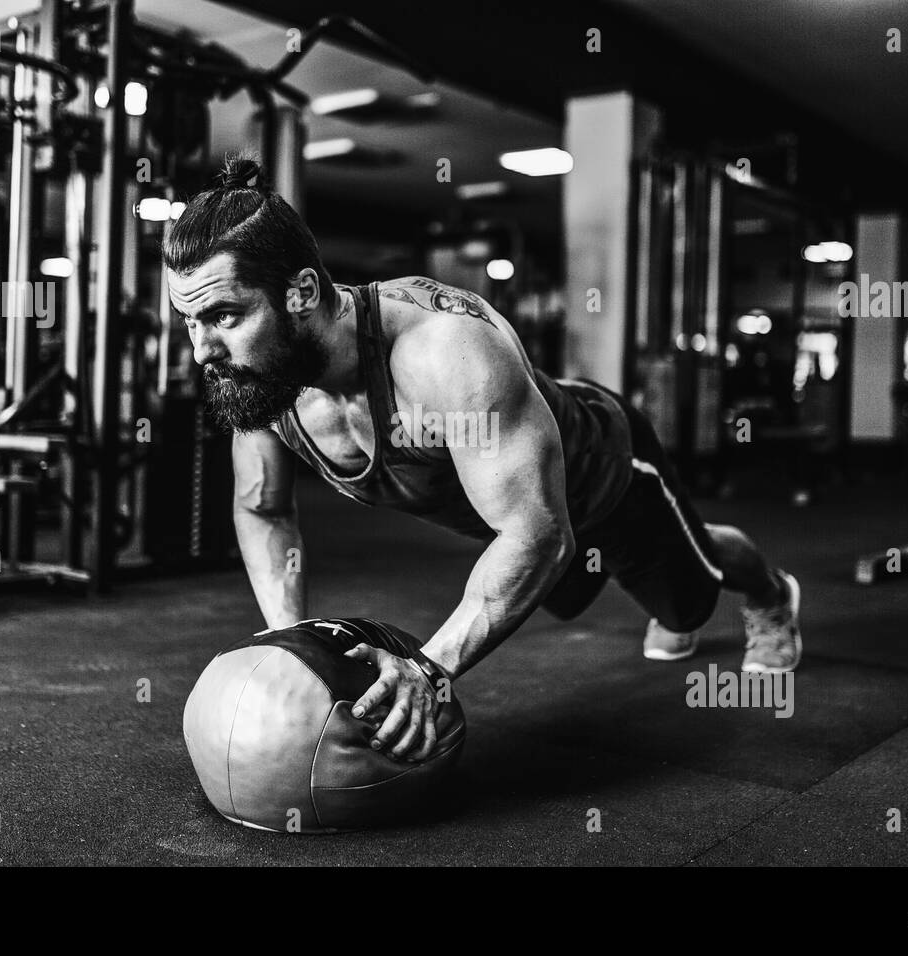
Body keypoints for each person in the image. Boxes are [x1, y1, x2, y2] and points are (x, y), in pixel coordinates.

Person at [164, 157, 803, 764]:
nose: (203, 351)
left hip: (604, 472)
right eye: (190, 321)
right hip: (511, 515)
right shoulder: (263, 374)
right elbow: (261, 505)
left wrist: (427, 669)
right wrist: (293, 646)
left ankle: (772, 595)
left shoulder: (439, 350)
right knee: (569, 579)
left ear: (301, 291)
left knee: (692, 589)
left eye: (223, 315)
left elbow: (538, 534)